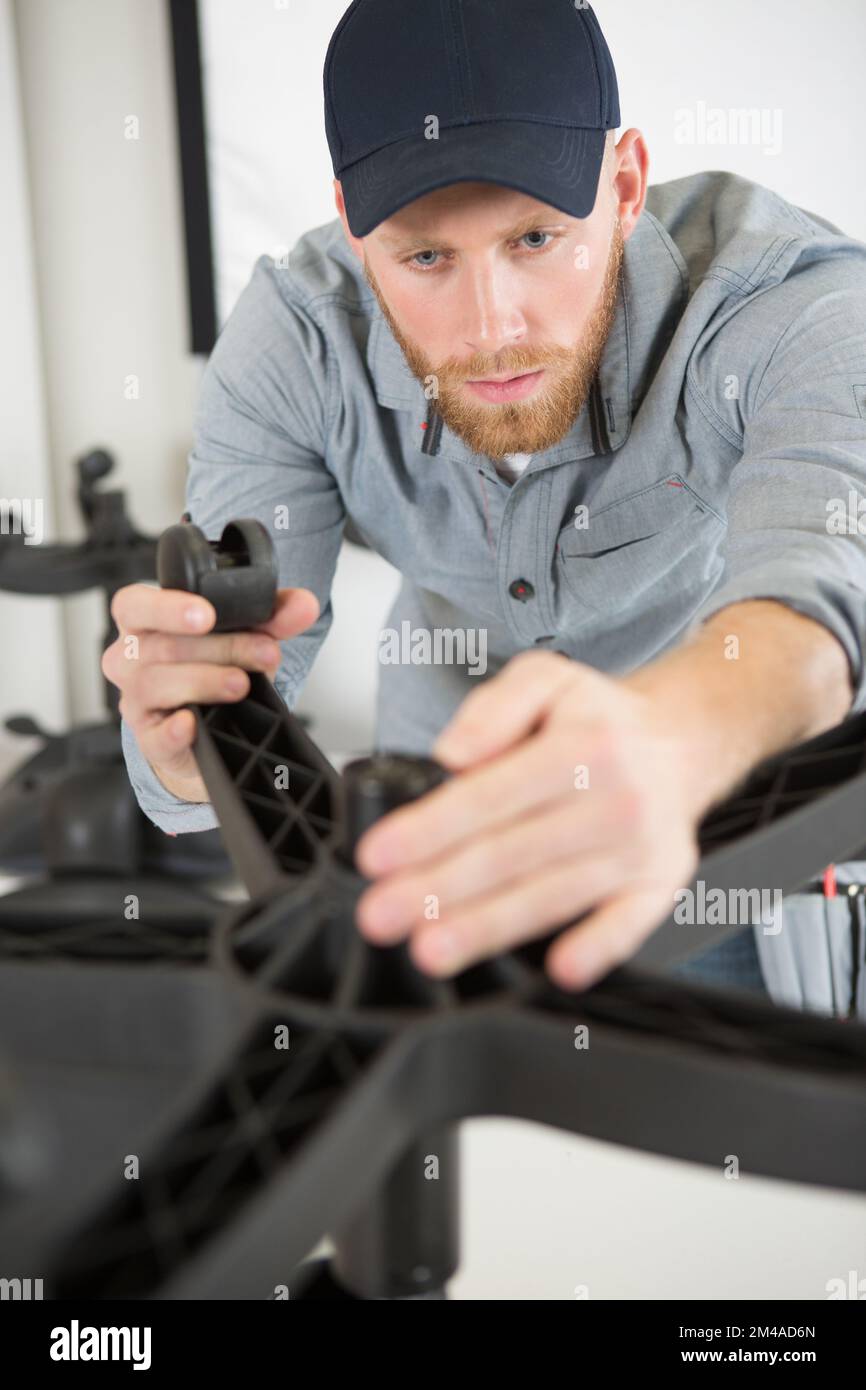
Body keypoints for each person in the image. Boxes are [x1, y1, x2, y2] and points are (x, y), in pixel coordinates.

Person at [105, 0, 866, 1009]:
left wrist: (671, 740)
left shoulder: (790, 305)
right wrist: (182, 746)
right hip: (439, 828)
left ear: (625, 183)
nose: (489, 328)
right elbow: (242, 664)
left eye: (536, 238)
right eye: (425, 259)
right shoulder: (294, 338)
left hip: (706, 821)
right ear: (352, 226)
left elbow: (824, 591)